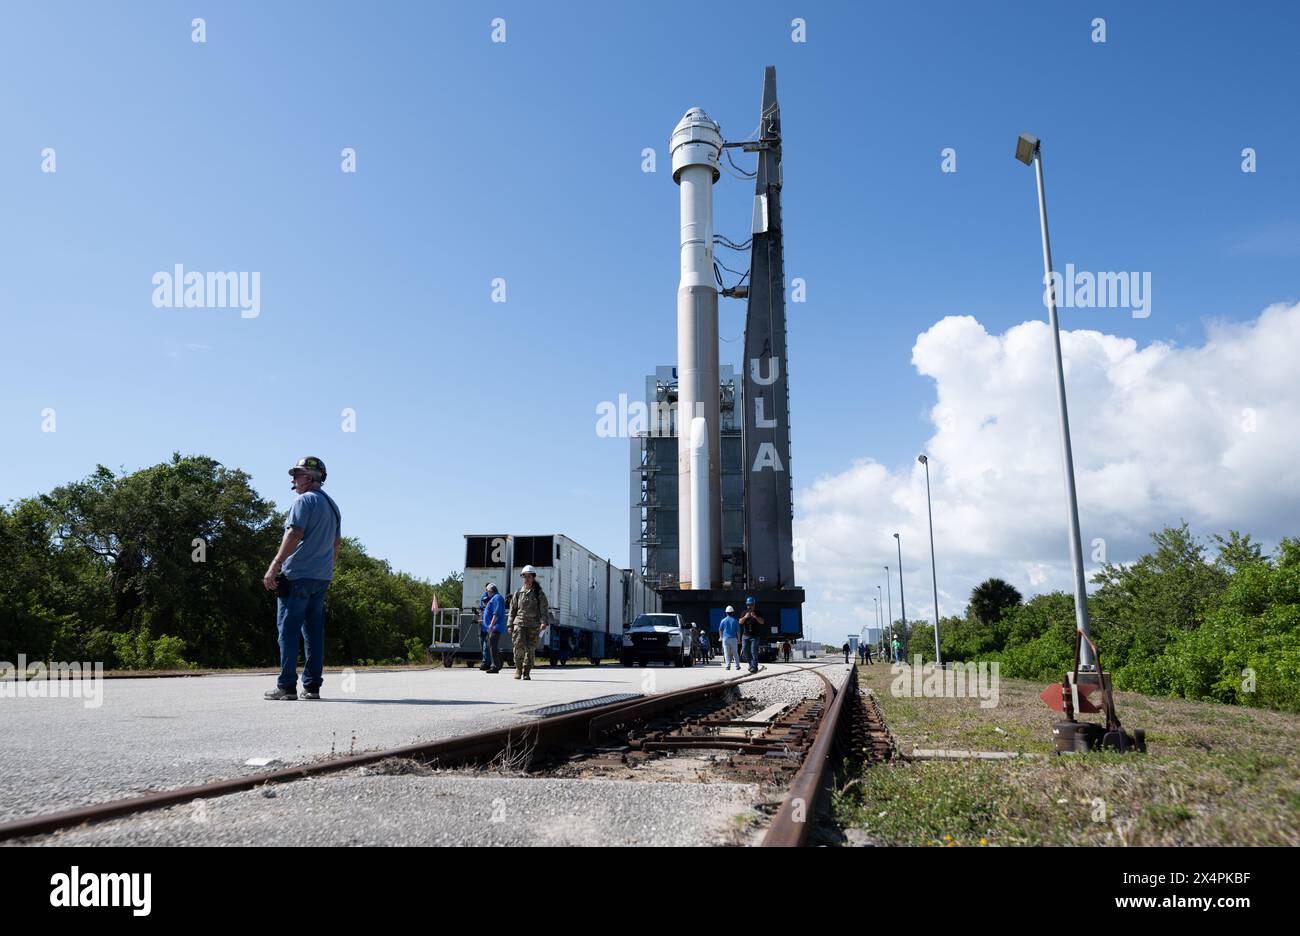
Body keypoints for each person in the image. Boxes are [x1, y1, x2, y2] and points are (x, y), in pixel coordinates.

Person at [262, 456, 341, 701]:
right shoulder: (332, 506)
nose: (293, 480)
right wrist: (327, 569)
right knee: (314, 632)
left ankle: (286, 686)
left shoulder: (303, 500)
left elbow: (295, 533)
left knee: (287, 629)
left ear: (308, 478)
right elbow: (336, 543)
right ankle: (312, 687)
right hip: (321, 577)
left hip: (297, 576)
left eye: (297, 475)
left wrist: (275, 565)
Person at [508, 565, 549, 681]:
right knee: (518, 647)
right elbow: (513, 610)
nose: (526, 579)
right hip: (519, 624)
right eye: (524, 576)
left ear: (533, 578)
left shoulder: (539, 593)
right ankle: (518, 669)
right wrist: (510, 625)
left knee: (530, 649)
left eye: (529, 576)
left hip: (533, 625)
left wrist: (543, 622)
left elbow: (544, 609)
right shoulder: (518, 593)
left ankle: (526, 671)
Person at [481, 583, 506, 673]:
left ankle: (495, 666)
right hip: (492, 627)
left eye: (487, 591)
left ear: (490, 591)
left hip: (495, 627)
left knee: (492, 646)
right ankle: (497, 663)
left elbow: (497, 612)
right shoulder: (494, 598)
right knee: (491, 645)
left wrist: (491, 624)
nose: (486, 593)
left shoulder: (497, 598)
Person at [739, 597, 764, 674]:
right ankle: (751, 665)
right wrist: (745, 617)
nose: (749, 606)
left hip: (755, 636)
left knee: (754, 651)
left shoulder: (758, 612)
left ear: (754, 604)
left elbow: (762, 622)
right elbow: (740, 622)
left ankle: (754, 667)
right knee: (746, 651)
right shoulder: (744, 612)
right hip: (745, 636)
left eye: (751, 605)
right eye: (748, 605)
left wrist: (755, 617)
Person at [718, 606, 741, 671]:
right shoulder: (735, 621)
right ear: (732, 613)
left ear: (726, 613)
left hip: (725, 639)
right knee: (735, 653)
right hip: (733, 639)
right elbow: (738, 631)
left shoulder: (723, 620)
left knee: (726, 653)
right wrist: (739, 639)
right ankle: (737, 666)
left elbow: (720, 630)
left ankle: (728, 666)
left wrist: (721, 637)